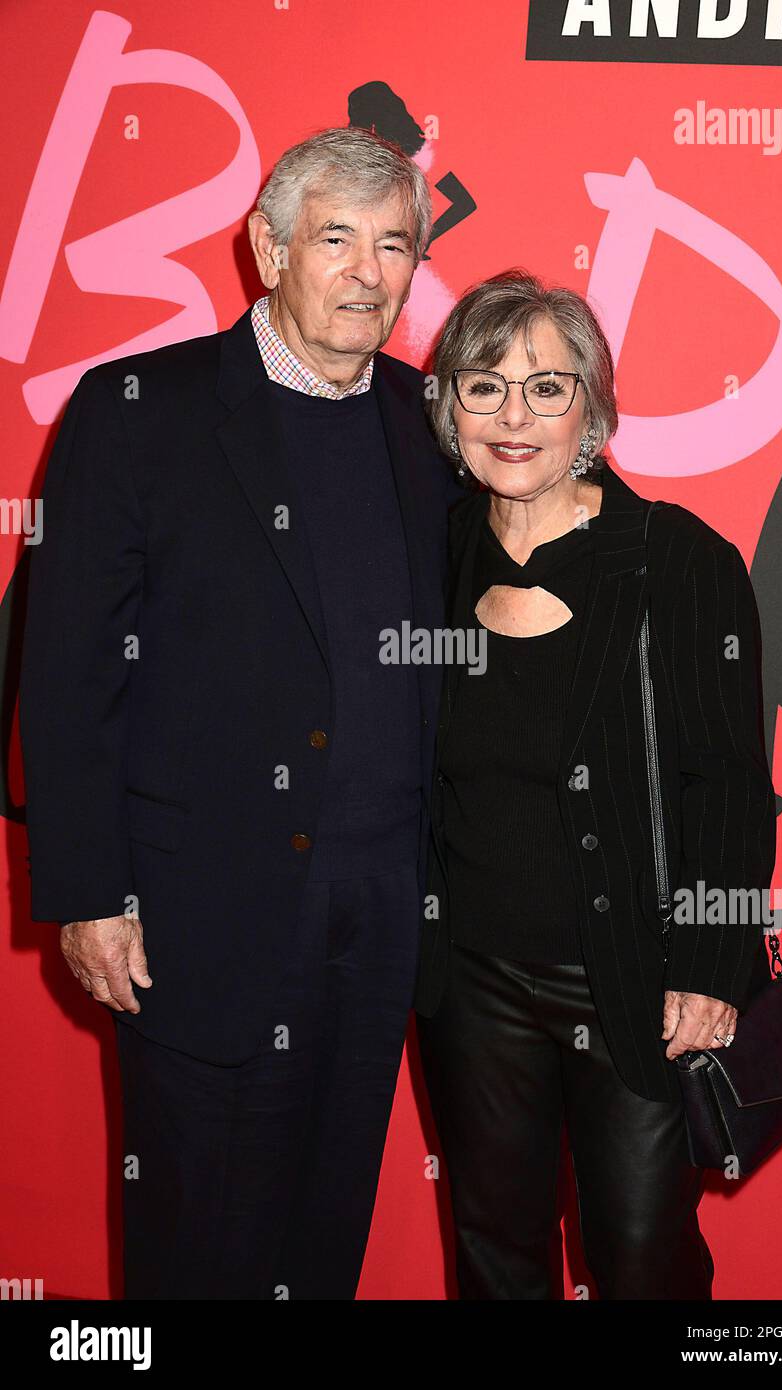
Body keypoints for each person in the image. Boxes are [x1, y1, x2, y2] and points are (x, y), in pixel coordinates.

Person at [19, 125, 462, 1300]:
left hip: (380, 918)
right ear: (266, 247)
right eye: (336, 238)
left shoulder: (432, 426)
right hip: (196, 912)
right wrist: (85, 890)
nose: (369, 271)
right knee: (196, 1242)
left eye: (395, 244)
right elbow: (61, 667)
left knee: (326, 1235)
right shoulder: (135, 409)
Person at [414, 269, 777, 1300]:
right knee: (494, 1248)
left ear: (591, 407)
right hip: (471, 983)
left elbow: (730, 783)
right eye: (482, 386)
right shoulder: (435, 552)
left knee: (640, 1256)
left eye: (546, 386)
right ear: (448, 409)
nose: (513, 416)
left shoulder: (675, 559)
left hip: (632, 978)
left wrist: (709, 965)